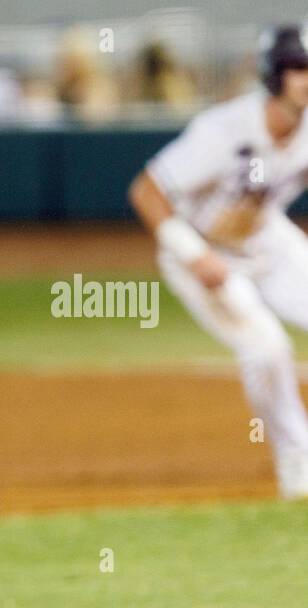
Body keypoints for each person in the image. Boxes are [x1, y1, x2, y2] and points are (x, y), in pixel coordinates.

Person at [128, 25, 308, 500]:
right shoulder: (224, 129)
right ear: (275, 74)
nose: (307, 80)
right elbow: (147, 191)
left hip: (266, 240)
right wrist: (194, 254)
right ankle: (298, 462)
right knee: (267, 349)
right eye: (299, 70)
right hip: (199, 252)